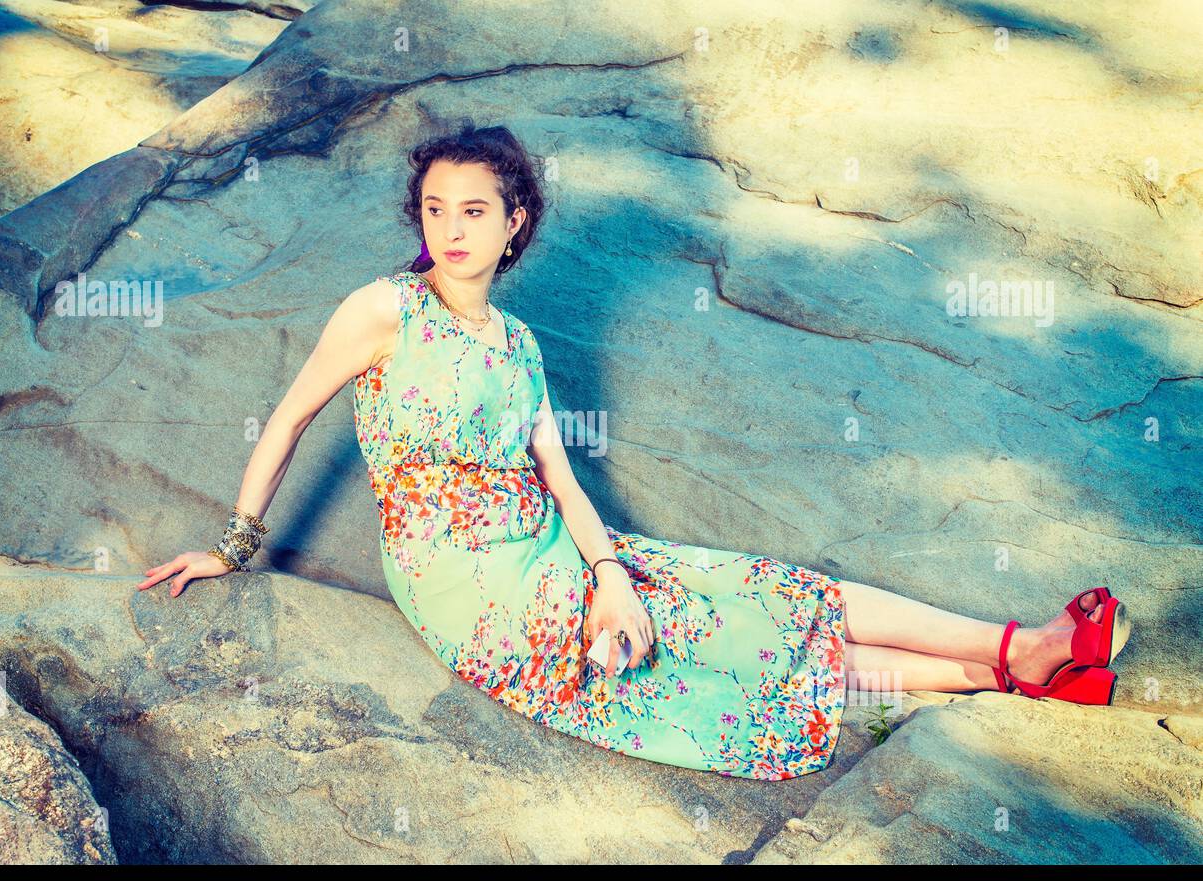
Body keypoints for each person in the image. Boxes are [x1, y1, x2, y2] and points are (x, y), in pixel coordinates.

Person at [138, 123, 1132, 780]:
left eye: (473, 209)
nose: (450, 229)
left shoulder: (517, 345)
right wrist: (233, 543)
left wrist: (610, 571)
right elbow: (288, 415)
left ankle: (1015, 649)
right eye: (435, 209)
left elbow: (559, 478)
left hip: (559, 548)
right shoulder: (382, 311)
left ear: (515, 220)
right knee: (711, 660)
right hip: (470, 589)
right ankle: (1015, 666)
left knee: (755, 591)